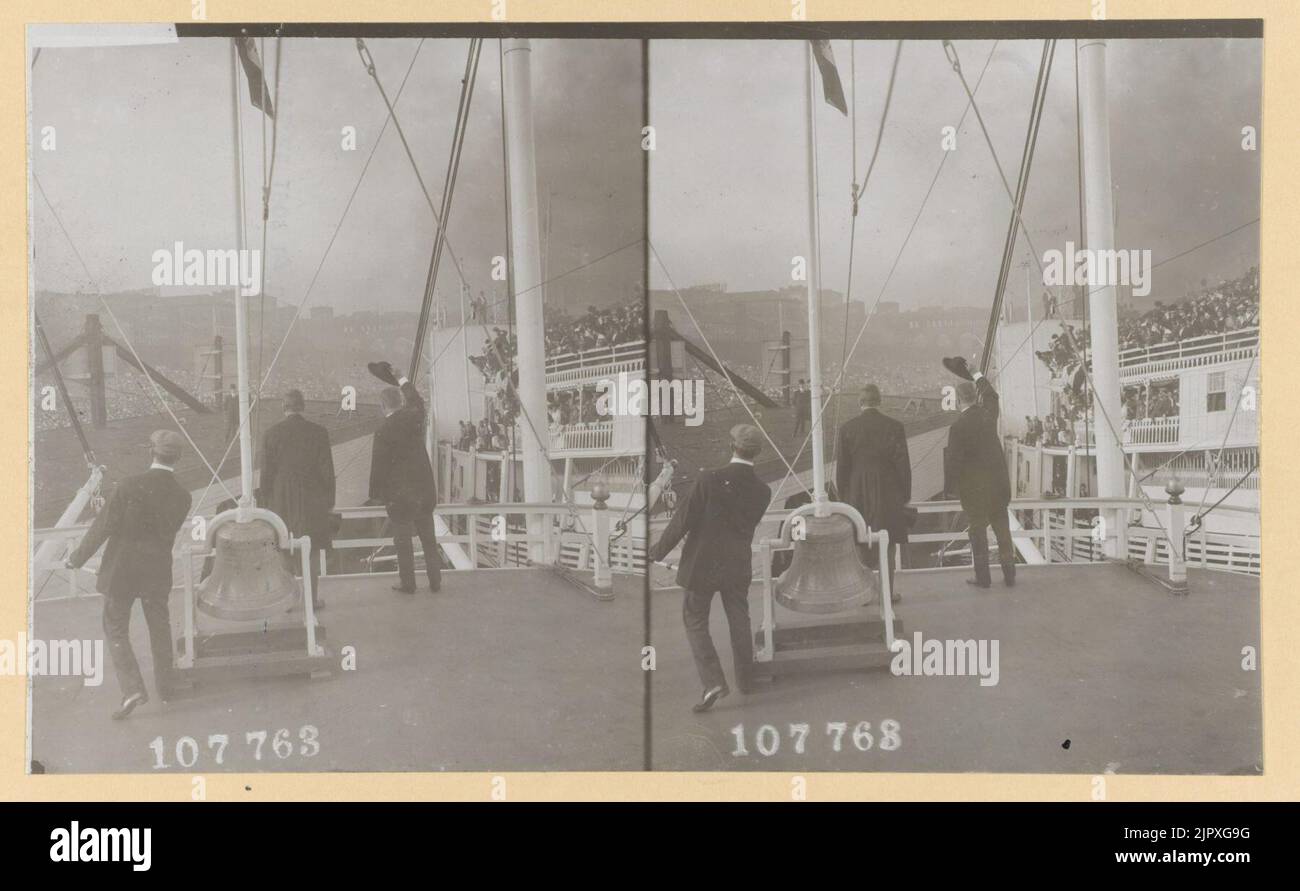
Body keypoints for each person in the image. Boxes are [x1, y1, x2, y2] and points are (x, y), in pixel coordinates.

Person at [65, 430, 192, 719]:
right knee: (159, 627)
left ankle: (132, 689)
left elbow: (103, 527)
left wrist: (76, 558)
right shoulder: (183, 497)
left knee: (115, 628)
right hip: (157, 572)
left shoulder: (128, 485)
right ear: (178, 458)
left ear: (151, 452)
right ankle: (166, 686)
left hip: (122, 571)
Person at [648, 424, 771, 713]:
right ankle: (746, 679)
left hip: (702, 565)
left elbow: (683, 521)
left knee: (695, 621)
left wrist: (656, 551)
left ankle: (714, 682)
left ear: (731, 447)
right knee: (739, 620)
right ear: (757, 453)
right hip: (737, 565)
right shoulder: (763, 491)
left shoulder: (708, 478)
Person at [368, 362, 442, 594]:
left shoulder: (382, 432)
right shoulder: (415, 417)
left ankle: (408, 583)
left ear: (383, 407)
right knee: (429, 539)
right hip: (424, 492)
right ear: (400, 403)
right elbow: (417, 401)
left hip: (401, 498)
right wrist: (402, 379)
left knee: (403, 543)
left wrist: (375, 495)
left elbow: (378, 468)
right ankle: (435, 580)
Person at [942, 357, 1015, 588]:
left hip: (974, 491)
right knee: (1003, 531)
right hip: (998, 486)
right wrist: (976, 373)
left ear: (958, 401)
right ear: (975, 398)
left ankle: (983, 578)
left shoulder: (958, 427)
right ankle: (1010, 575)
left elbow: (952, 462)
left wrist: (950, 490)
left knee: (978, 535)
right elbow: (992, 396)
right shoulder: (988, 414)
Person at [259, 389, 335, 610]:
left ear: (284, 407)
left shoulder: (271, 434)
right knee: (310, 550)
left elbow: (266, 475)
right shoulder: (319, 432)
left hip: (281, 500)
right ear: (303, 406)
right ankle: (311, 602)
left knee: (285, 548)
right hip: (313, 499)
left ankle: (288, 601)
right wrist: (329, 499)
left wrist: (266, 503)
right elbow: (327, 471)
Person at [835, 384, 911, 601]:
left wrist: (845, 500)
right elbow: (902, 465)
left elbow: (842, 469)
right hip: (888, 492)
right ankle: (886, 595)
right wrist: (905, 495)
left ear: (861, 403)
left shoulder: (847, 429)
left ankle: (865, 594)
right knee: (888, 544)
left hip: (857, 493)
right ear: (880, 401)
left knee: (861, 543)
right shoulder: (895, 427)